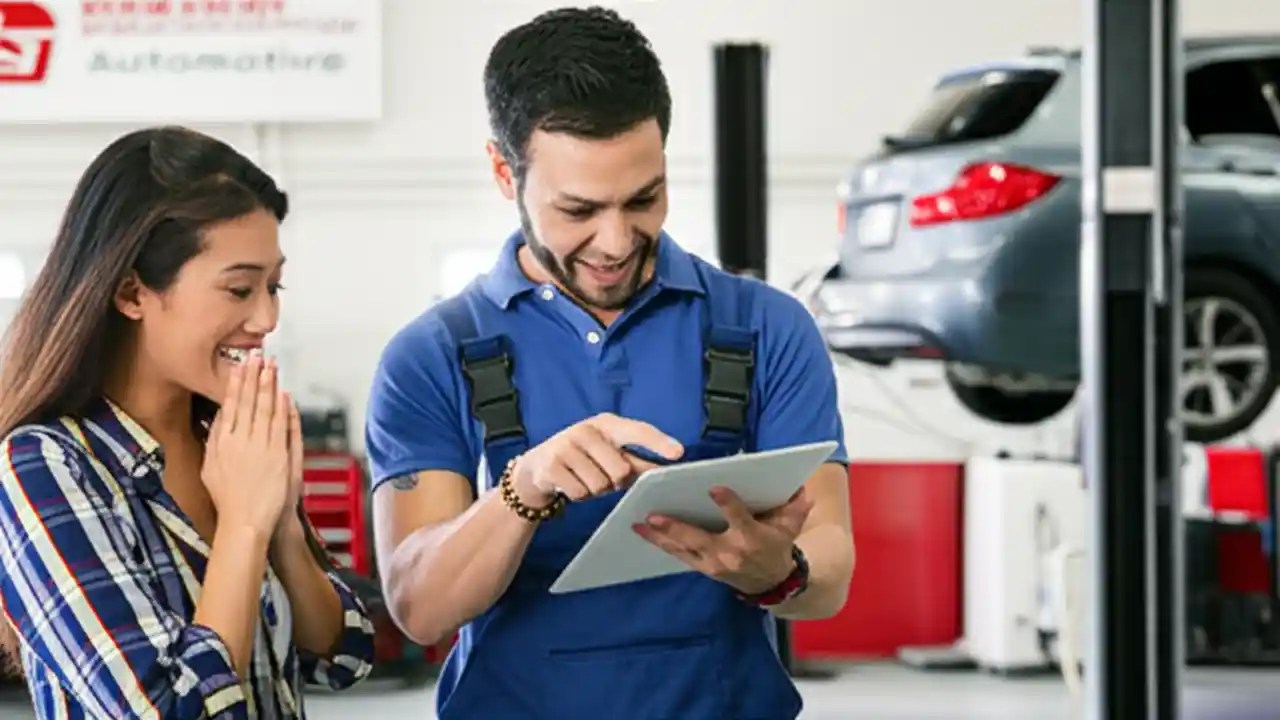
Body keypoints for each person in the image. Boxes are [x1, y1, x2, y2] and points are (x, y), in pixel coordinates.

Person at [366, 6, 855, 719]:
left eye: (644, 198)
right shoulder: (431, 354)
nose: (617, 240)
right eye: (578, 210)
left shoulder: (766, 328)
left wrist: (779, 572)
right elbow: (419, 607)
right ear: (505, 173)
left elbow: (831, 564)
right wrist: (523, 488)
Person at [0, 126, 376, 718]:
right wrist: (244, 527)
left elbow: (342, 655)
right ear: (131, 293)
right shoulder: (44, 467)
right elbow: (169, 710)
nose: (267, 316)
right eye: (239, 289)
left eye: (274, 286)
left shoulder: (229, 442)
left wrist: (280, 528)